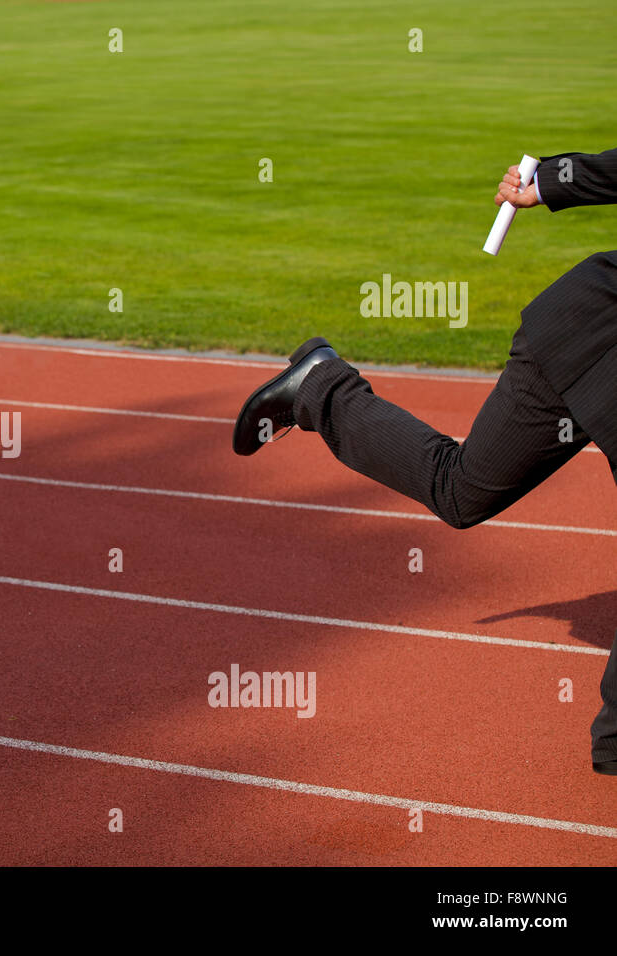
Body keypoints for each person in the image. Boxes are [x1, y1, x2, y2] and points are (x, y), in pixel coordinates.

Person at [231, 148, 617, 775]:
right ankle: (321, 389)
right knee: (460, 490)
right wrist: (552, 179)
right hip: (591, 326)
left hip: (585, 322)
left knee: (463, 494)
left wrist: (552, 180)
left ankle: (318, 387)